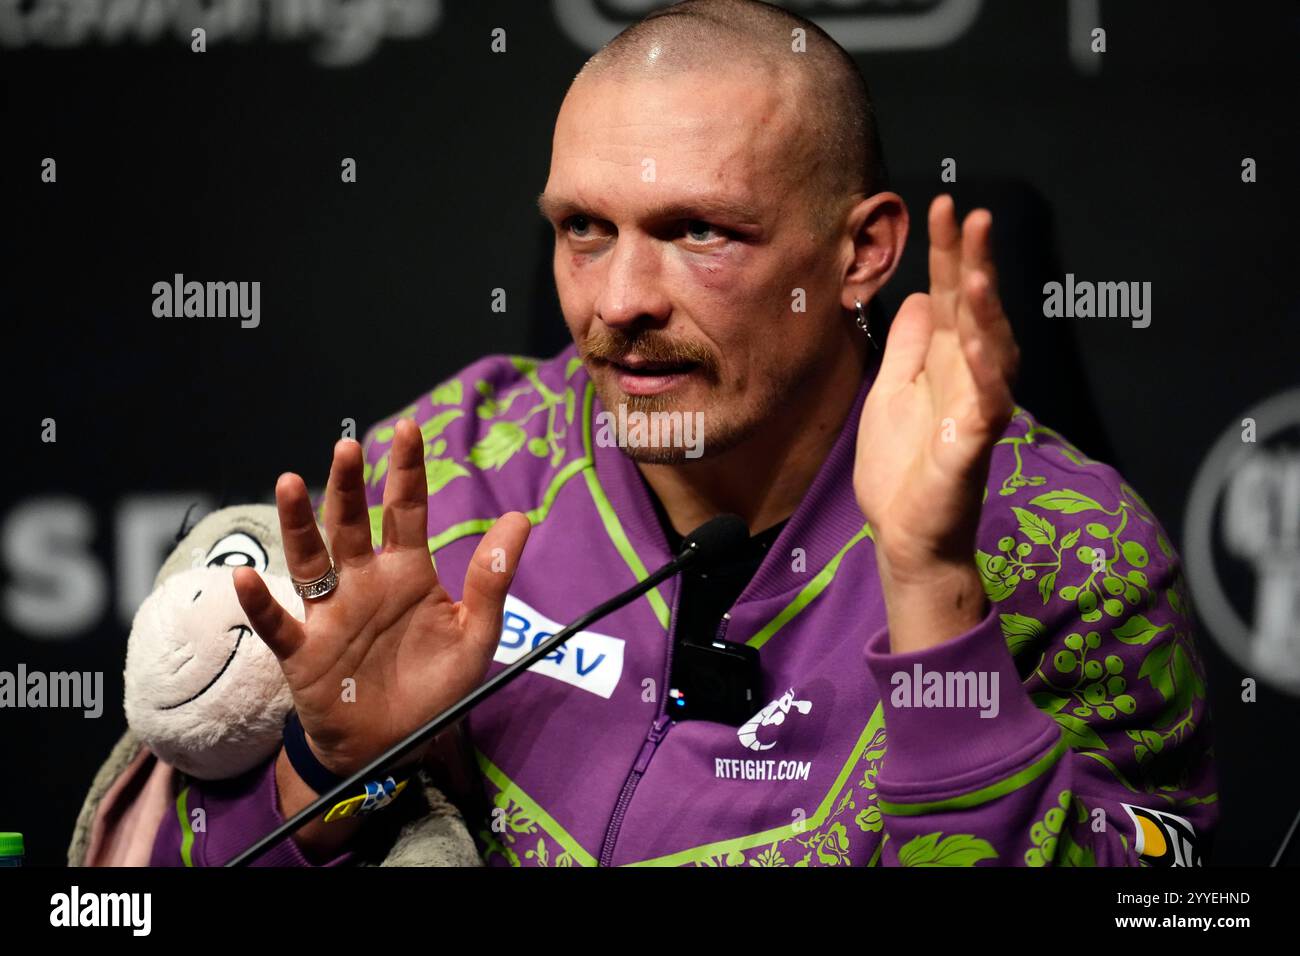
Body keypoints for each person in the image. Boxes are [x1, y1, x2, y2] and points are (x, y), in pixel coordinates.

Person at [147, 0, 1217, 867]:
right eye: (583, 229)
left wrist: (930, 576)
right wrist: (335, 762)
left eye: (700, 230)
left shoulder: (1069, 548)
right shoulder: (450, 464)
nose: (618, 300)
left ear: (862, 253)